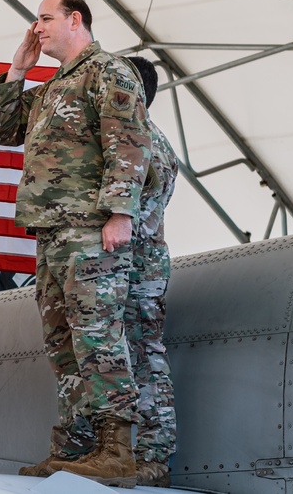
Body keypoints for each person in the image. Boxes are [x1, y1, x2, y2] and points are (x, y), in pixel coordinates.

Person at [0, 0, 151, 488]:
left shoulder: (108, 71)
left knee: (98, 336)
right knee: (64, 345)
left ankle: (116, 450)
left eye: (45, 18)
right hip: (53, 231)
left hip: (88, 228)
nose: (37, 28)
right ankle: (74, 448)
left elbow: (129, 142)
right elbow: (4, 130)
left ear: (75, 20)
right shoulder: (53, 86)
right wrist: (17, 70)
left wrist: (120, 213)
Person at [124, 55, 178, 488]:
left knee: (144, 357)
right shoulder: (154, 140)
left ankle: (154, 453)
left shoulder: (140, 141)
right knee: (138, 355)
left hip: (135, 263)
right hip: (144, 262)